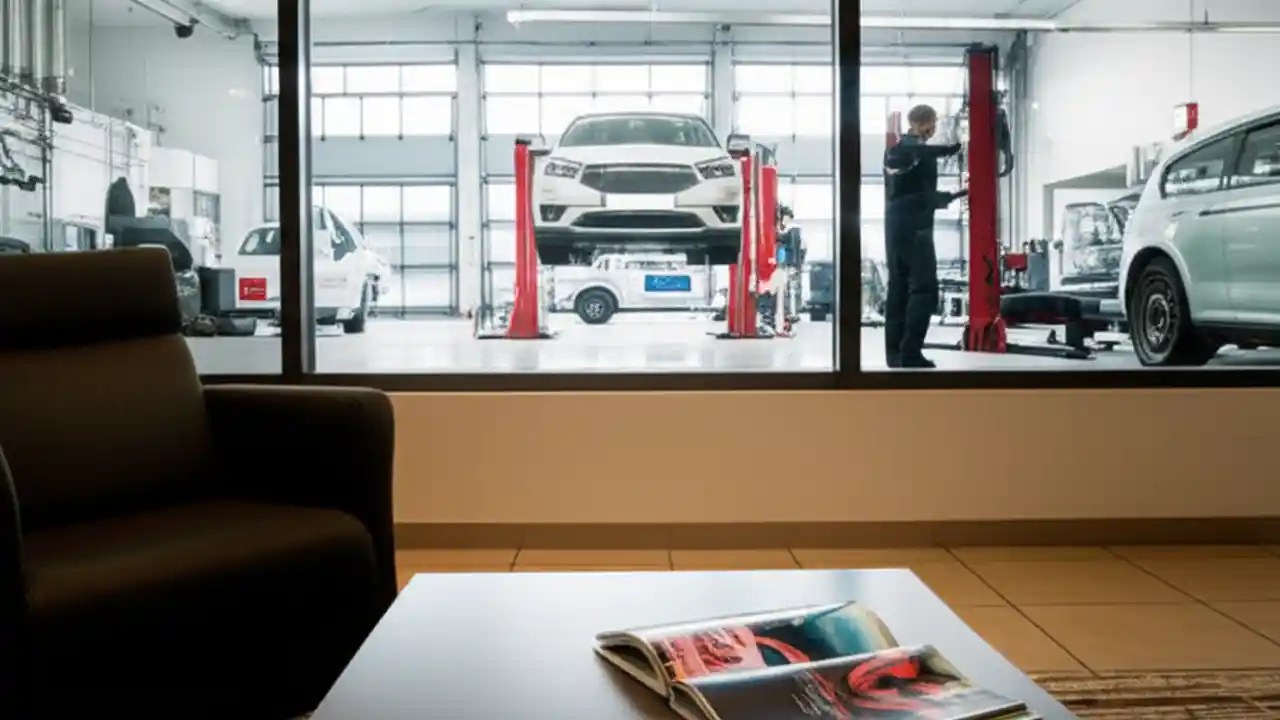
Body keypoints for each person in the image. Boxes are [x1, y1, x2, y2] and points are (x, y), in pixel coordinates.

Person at [882, 104, 966, 369]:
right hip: (915, 228)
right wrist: (952, 149)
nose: (933, 129)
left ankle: (895, 354)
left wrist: (949, 196)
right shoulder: (906, 150)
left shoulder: (905, 151)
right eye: (930, 124)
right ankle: (909, 353)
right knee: (924, 290)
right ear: (920, 123)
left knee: (898, 289)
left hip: (896, 228)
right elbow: (915, 180)